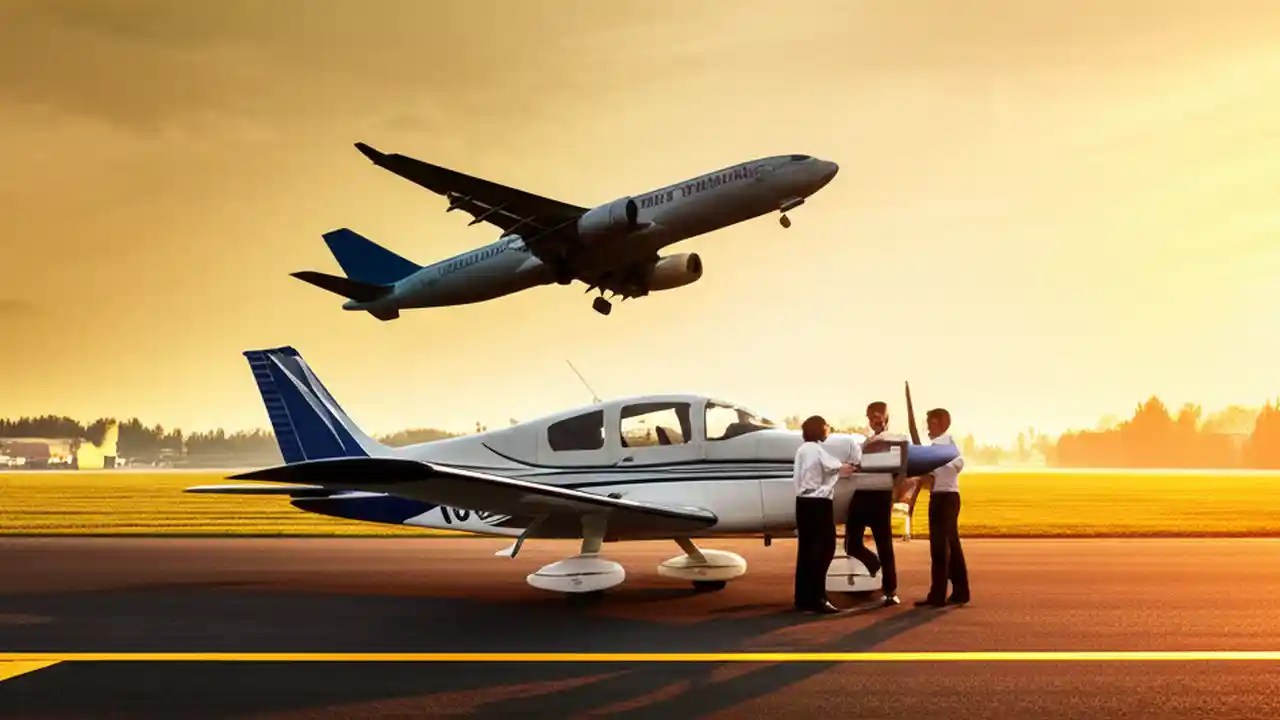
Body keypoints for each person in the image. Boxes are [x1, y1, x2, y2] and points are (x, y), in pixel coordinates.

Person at [793, 415, 856, 614]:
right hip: (818, 503)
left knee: (806, 551)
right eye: (826, 425)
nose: (828, 428)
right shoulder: (816, 449)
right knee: (825, 548)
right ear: (818, 428)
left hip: (802, 503)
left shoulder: (802, 450)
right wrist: (853, 466)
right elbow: (839, 468)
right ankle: (818, 598)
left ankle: (803, 599)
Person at [844, 401, 902, 606]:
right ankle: (874, 563)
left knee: (884, 543)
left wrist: (896, 494)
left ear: (887, 417)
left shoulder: (894, 439)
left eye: (879, 415)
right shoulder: (864, 442)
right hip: (861, 494)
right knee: (851, 544)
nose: (874, 419)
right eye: (871, 416)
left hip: (880, 495)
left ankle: (890, 591)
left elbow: (898, 469)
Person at [914, 408, 970, 607]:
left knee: (939, 549)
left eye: (931, 422)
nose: (928, 426)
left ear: (940, 424)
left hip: (943, 499)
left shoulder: (942, 445)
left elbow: (954, 465)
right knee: (952, 546)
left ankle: (937, 596)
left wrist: (927, 463)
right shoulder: (946, 445)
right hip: (948, 497)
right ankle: (961, 592)